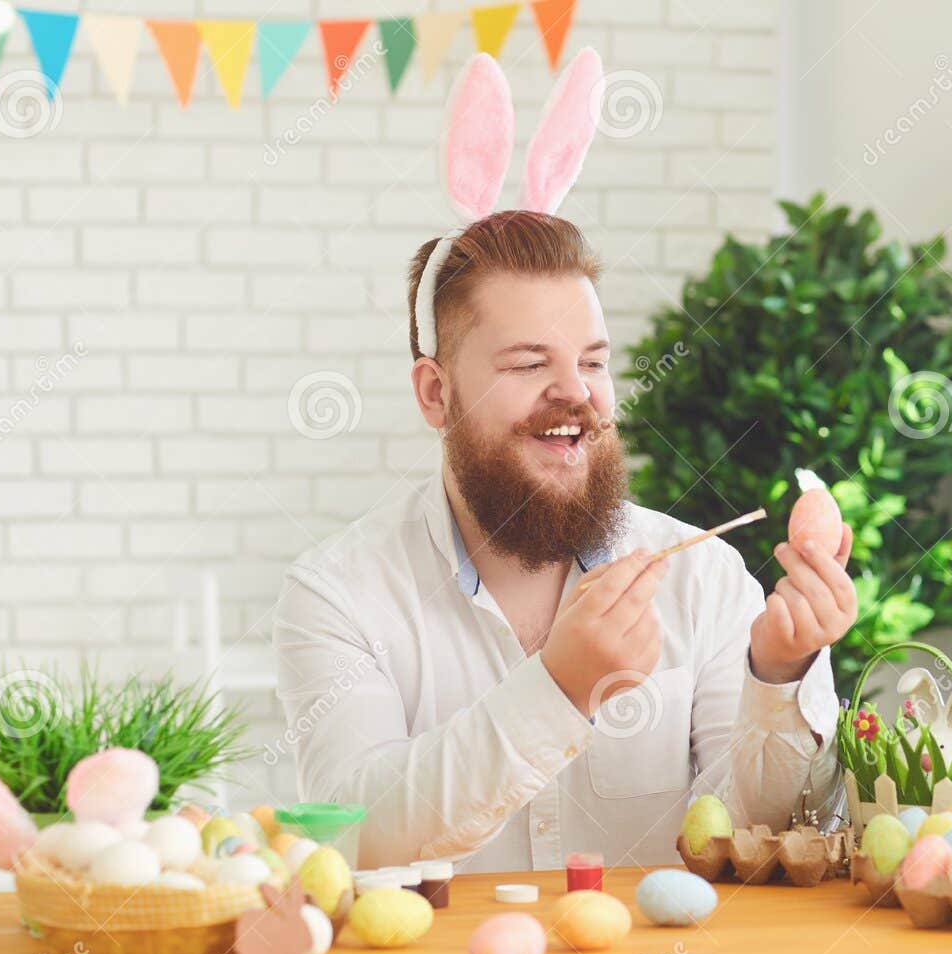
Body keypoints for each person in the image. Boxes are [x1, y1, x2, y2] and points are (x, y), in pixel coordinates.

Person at [272, 211, 856, 870]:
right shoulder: (338, 594)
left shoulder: (707, 579)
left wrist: (779, 673)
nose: (577, 392)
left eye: (594, 361)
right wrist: (559, 689)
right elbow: (355, 834)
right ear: (436, 394)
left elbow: (758, 839)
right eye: (530, 363)